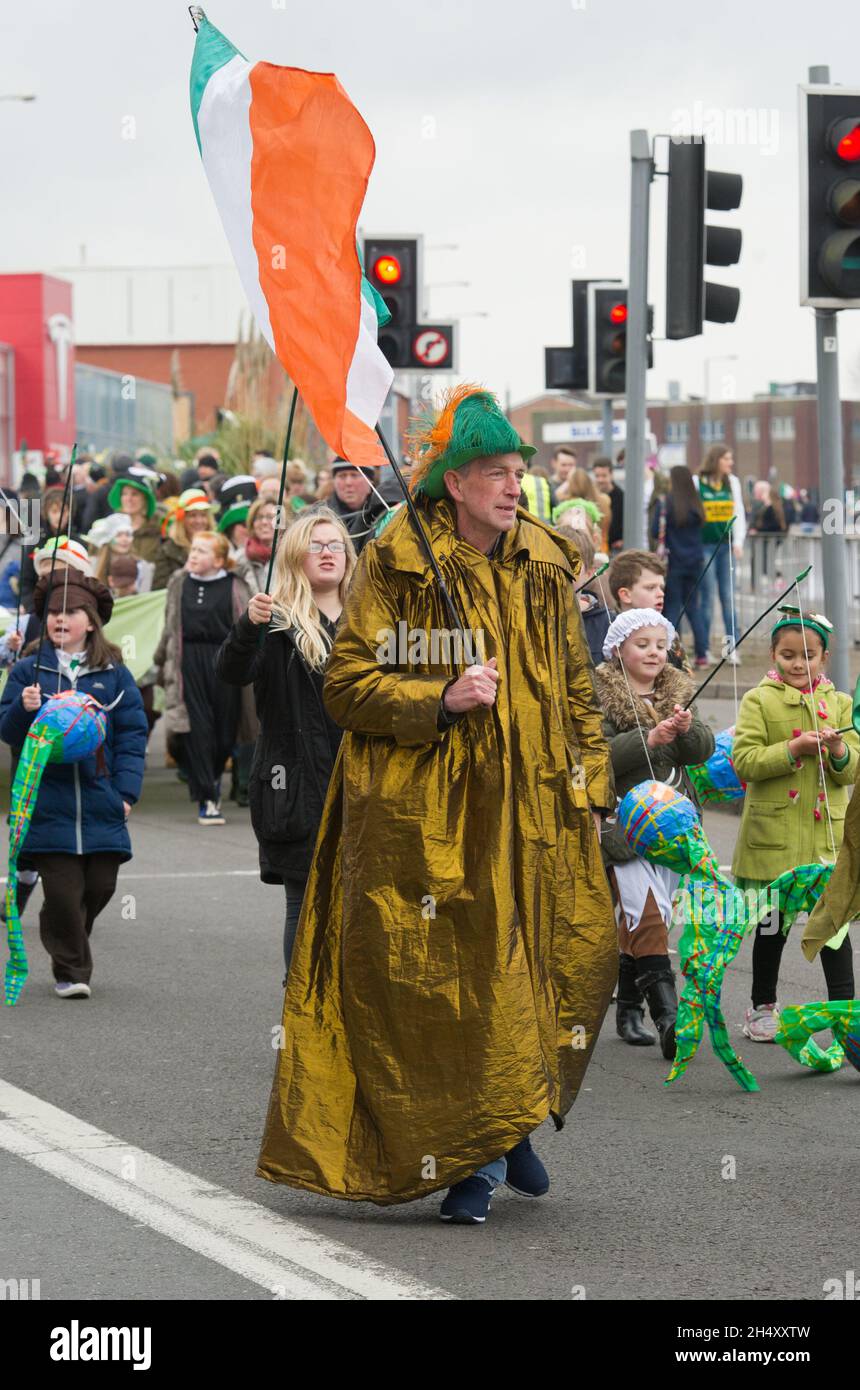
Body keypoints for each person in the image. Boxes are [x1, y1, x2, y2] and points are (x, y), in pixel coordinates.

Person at [257, 384, 617, 1224]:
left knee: (573, 960)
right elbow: (348, 687)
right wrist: (440, 695)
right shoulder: (398, 558)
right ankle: (474, 1162)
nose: (509, 487)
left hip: (539, 808)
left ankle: (509, 1123)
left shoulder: (544, 557)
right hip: (428, 817)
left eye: (515, 473)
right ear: (453, 483)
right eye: (492, 473)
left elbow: (571, 684)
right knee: (456, 985)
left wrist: (593, 787)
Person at [217, 508, 356, 978]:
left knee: (360, 908)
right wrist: (247, 628)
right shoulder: (273, 622)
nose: (327, 553)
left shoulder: (369, 619)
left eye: (335, 544)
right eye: (316, 544)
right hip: (293, 785)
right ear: (296, 555)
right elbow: (231, 672)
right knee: (303, 904)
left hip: (362, 783)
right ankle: (303, 1020)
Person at [0, 572, 147, 999]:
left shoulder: (114, 674)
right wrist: (24, 710)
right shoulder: (29, 670)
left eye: (71, 612)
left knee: (100, 886)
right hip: (47, 800)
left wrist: (125, 792)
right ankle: (71, 970)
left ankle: (65, 933)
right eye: (52, 613)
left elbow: (133, 735)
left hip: (102, 800)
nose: (59, 620)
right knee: (64, 891)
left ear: (91, 621)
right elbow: (8, 732)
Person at [731, 608, 859, 1041]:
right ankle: (761, 1008)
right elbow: (745, 761)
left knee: (834, 931)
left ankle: (846, 1016)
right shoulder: (758, 700)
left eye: (808, 655)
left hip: (827, 844)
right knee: (771, 929)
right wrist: (793, 748)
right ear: (773, 654)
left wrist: (838, 752)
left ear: (824, 657)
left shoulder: (841, 705)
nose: (798, 663)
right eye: (788, 654)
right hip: (775, 844)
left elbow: (851, 771)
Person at [594, 609, 714, 1056]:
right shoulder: (597, 693)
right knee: (644, 913)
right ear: (618, 649)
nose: (654, 653)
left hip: (672, 826)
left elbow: (701, 751)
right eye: (642, 645)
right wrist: (649, 738)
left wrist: (685, 730)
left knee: (652, 919)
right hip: (623, 826)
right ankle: (669, 1019)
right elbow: (595, 755)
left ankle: (628, 1009)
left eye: (660, 646)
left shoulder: (677, 689)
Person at [153, 531, 254, 826]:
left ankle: (211, 780)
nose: (193, 555)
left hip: (225, 661)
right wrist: (161, 657)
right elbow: (170, 623)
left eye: (202, 551)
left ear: (219, 560)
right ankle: (207, 796)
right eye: (193, 549)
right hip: (189, 662)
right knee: (196, 729)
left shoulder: (235, 585)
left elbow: (246, 626)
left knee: (224, 733)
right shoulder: (178, 582)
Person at [651, 466, 710, 669]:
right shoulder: (696, 505)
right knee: (694, 607)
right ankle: (702, 654)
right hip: (695, 562)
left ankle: (670, 653)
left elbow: (653, 530)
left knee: (673, 607)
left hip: (673, 562)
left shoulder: (666, 504)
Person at [696, 446, 746, 665]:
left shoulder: (731, 482)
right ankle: (704, 649)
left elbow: (739, 512)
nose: (730, 462)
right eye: (727, 458)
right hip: (705, 546)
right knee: (707, 600)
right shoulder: (697, 482)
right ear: (716, 460)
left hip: (726, 546)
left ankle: (731, 648)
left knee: (728, 598)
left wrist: (738, 542)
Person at [607, 549, 692, 675]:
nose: (661, 594)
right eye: (650, 588)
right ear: (625, 595)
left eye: (661, 588)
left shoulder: (670, 635)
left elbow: (686, 680)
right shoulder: (607, 632)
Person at [557, 521, 609, 668]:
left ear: (589, 573)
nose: (561, 570)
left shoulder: (607, 622)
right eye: (554, 562)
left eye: (572, 564)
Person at [151, 487, 214, 591]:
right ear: (182, 519)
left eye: (203, 515)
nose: (199, 521)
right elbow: (159, 588)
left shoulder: (217, 545)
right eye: (193, 515)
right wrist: (184, 573)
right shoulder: (167, 550)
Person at [326, 457, 389, 553]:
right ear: (334, 481)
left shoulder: (387, 516)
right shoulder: (319, 516)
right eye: (342, 476)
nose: (348, 483)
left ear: (370, 481)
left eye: (354, 475)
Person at [106, 467, 162, 567]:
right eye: (124, 494)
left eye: (134, 494)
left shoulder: (157, 532)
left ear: (145, 499)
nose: (129, 499)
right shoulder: (109, 529)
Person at [234, 497, 277, 595]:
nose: (264, 522)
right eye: (259, 517)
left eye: (270, 517)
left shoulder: (290, 555)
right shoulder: (239, 560)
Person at [592, 456, 624, 550]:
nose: (600, 480)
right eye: (597, 476)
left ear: (611, 475)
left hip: (615, 547)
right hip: (596, 546)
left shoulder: (621, 496)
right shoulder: (591, 495)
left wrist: (623, 540)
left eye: (604, 476)